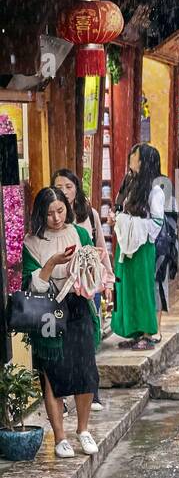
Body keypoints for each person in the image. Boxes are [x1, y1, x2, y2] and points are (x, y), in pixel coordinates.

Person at [22, 187, 101, 458]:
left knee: (85, 369)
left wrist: (89, 263)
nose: (56, 218)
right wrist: (52, 263)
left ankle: (83, 429)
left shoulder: (79, 233)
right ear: (40, 214)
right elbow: (31, 285)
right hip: (48, 311)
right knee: (52, 372)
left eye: (60, 211)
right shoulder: (31, 242)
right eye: (49, 213)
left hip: (77, 306)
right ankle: (59, 436)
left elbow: (93, 274)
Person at [52, 169, 109, 411]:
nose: (64, 191)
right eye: (59, 187)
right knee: (62, 343)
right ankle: (62, 396)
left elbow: (100, 248)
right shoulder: (52, 218)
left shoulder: (88, 215)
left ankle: (90, 391)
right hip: (60, 291)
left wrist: (107, 281)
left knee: (88, 340)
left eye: (68, 186)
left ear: (76, 188)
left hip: (87, 286)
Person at [108, 143, 163, 350]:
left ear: (144, 162)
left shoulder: (155, 190)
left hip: (141, 246)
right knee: (126, 286)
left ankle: (148, 332)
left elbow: (157, 222)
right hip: (125, 244)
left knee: (142, 288)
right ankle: (133, 330)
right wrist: (119, 219)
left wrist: (126, 222)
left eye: (135, 156)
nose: (131, 159)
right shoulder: (129, 183)